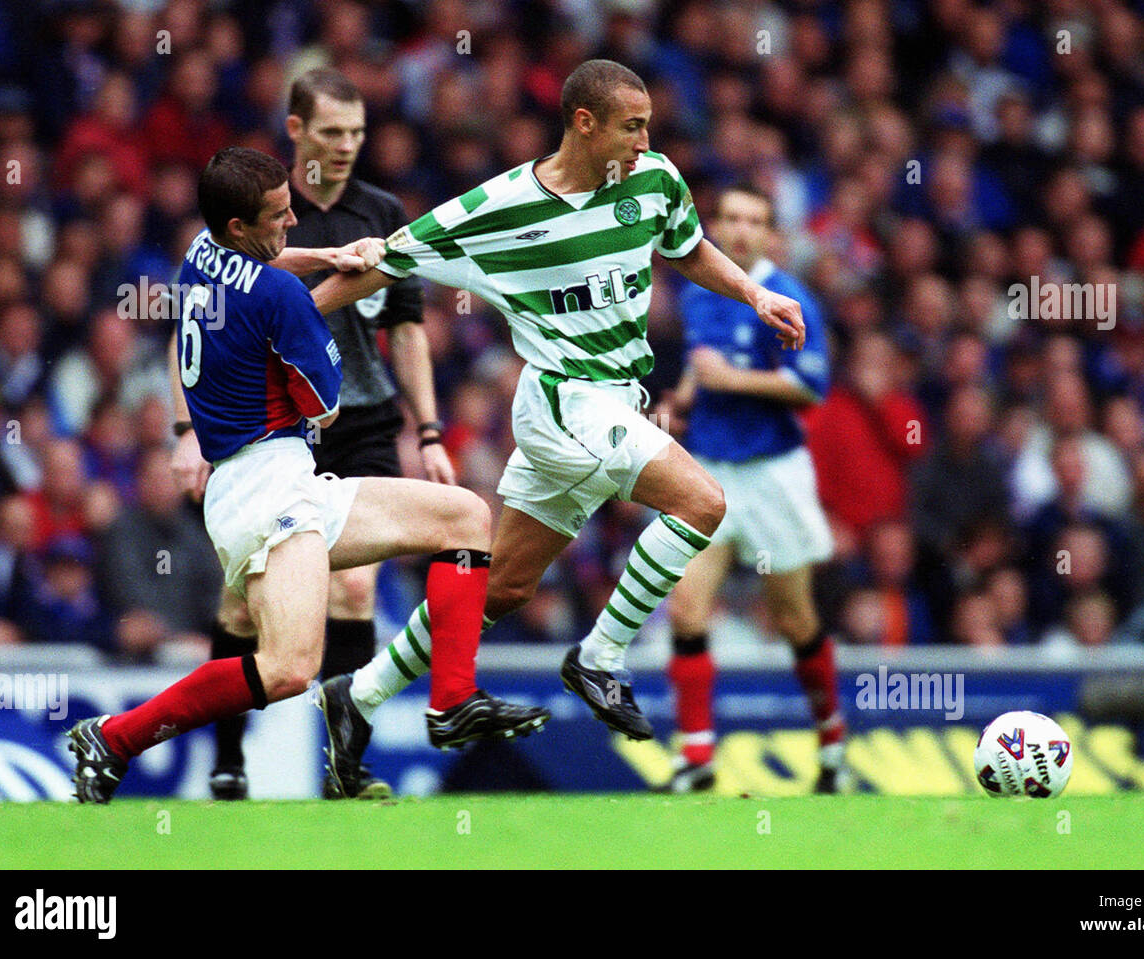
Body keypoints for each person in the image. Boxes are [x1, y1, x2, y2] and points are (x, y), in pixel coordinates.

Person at [306, 59, 806, 770]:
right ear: (584, 123)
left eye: (648, 126)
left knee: (502, 588)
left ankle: (358, 694)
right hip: (565, 400)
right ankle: (599, 656)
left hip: (616, 400)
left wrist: (755, 295)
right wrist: (288, 320)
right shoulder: (501, 206)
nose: (645, 141)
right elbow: (385, 262)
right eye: (632, 127)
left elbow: (687, 248)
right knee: (702, 502)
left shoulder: (654, 180)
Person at [66, 148, 548, 804]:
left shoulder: (201, 252)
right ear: (239, 226)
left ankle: (454, 699)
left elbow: (261, 270)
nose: (294, 220)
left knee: (464, 516)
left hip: (267, 480)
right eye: (279, 215)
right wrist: (311, 310)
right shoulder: (282, 298)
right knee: (289, 669)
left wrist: (325, 257)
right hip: (269, 491)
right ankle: (115, 737)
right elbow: (326, 405)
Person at [171, 68, 455, 801]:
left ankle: (344, 763)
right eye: (332, 131)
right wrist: (185, 429)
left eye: (358, 132)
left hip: (360, 418)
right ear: (296, 131)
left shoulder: (380, 211)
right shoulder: (259, 204)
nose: (347, 145)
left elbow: (407, 330)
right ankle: (228, 760)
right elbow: (219, 320)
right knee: (243, 605)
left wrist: (429, 429)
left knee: (355, 590)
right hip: (275, 425)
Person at [654, 184, 845, 793]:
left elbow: (810, 387)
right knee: (686, 607)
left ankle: (832, 744)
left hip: (771, 471)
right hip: (708, 470)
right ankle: (696, 759)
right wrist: (682, 400)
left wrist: (732, 381)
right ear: (714, 225)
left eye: (753, 220)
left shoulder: (790, 298)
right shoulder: (697, 291)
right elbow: (700, 362)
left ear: (770, 234)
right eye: (731, 218)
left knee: (794, 620)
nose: (740, 230)